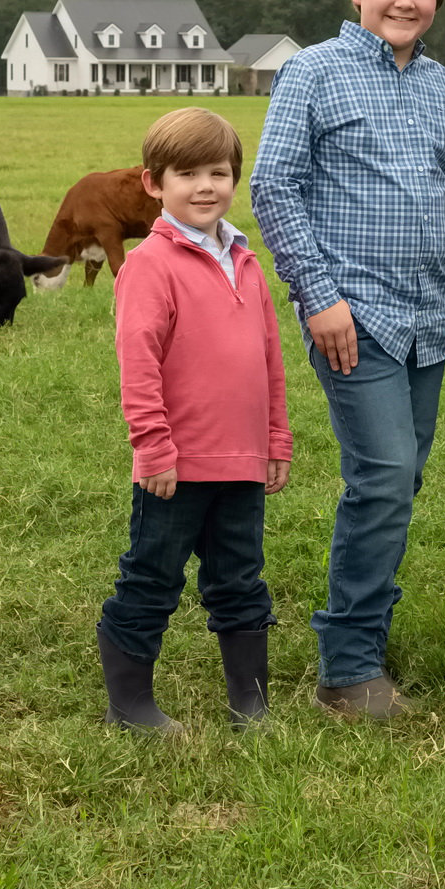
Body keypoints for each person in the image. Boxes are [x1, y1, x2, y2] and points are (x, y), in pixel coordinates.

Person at [248, 0, 445, 722]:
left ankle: (370, 634)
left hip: (428, 317)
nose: (406, 0)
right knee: (382, 476)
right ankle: (346, 670)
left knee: (401, 479)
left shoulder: (442, 87)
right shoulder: (313, 73)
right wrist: (319, 296)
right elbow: (274, 187)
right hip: (354, 315)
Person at [96, 106, 292, 733]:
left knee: (240, 580)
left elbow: (269, 361)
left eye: (219, 172)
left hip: (241, 460)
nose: (206, 187)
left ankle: (250, 703)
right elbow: (139, 363)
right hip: (174, 467)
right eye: (187, 174)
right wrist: (153, 447)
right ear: (154, 183)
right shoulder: (149, 265)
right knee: (151, 577)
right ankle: (129, 705)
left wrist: (275, 439)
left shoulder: (247, 262)